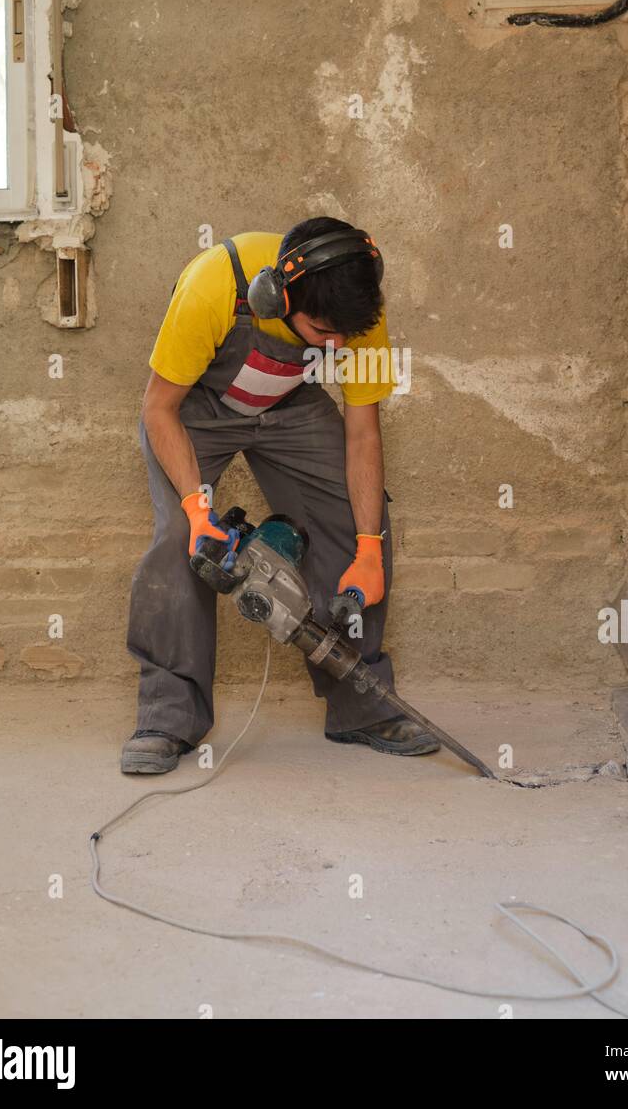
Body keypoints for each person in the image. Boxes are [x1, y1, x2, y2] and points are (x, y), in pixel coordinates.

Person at [120, 217, 439, 773]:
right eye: (321, 333)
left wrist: (367, 548)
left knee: (354, 518)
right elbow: (158, 408)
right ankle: (168, 718)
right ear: (277, 297)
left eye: (344, 335)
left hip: (291, 406)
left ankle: (360, 707)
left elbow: (363, 432)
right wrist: (198, 512)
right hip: (196, 407)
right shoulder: (212, 287)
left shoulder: (363, 315)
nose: (337, 344)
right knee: (182, 540)